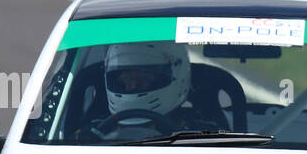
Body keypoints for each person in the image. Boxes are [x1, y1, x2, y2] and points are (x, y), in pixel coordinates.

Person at [84, 42, 222, 139]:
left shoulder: (203, 136)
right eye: (125, 78)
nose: (132, 86)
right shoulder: (90, 135)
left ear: (178, 77)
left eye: (145, 78)